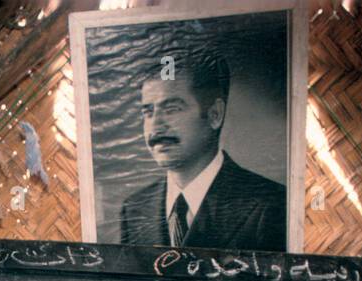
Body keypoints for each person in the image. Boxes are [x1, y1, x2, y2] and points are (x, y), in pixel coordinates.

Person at [118, 48, 286, 252]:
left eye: (172, 109)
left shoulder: (269, 205)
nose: (155, 126)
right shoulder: (135, 208)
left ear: (215, 114)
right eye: (148, 112)